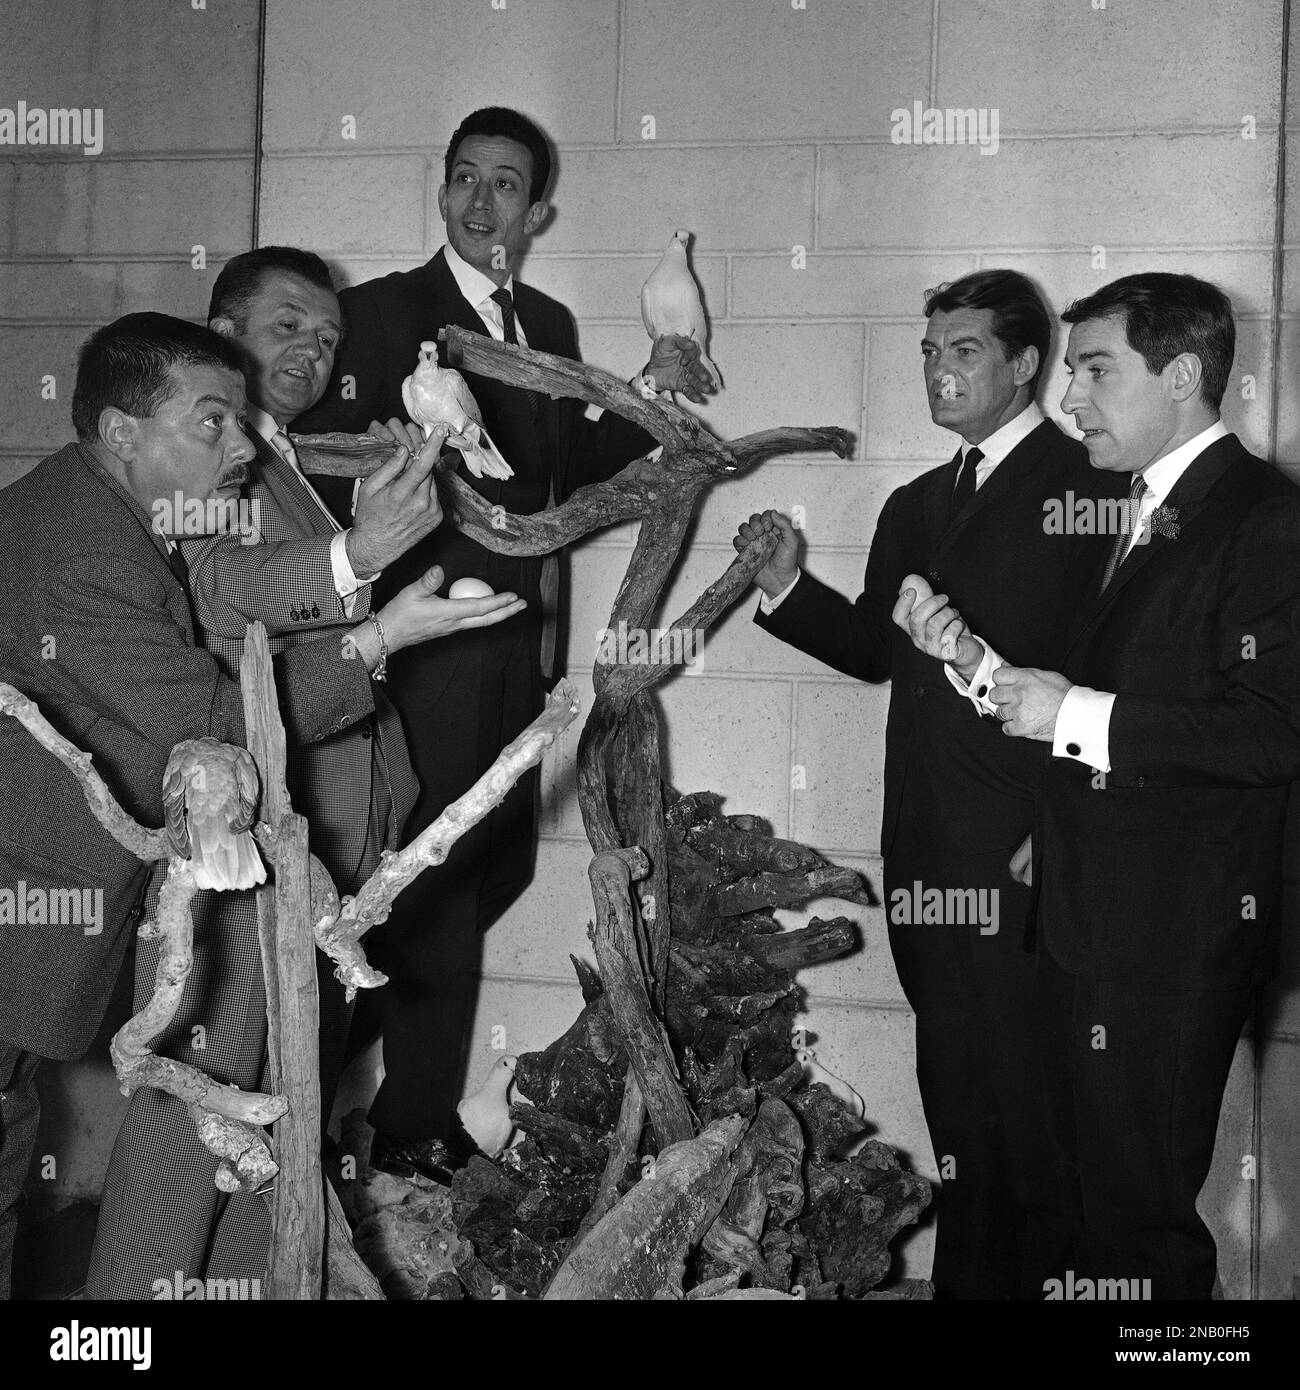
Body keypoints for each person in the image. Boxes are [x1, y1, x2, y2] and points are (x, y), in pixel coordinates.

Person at [84, 254, 525, 1298]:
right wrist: (354, 561)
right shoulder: (195, 473)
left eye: (327, 338)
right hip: (249, 857)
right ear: (221, 329)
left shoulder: (268, 456)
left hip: (323, 849)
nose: (312, 352)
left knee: (281, 1115)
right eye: (285, 326)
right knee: (197, 1117)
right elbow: (227, 577)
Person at [0, 312, 463, 1298]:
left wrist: (359, 552)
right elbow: (212, 710)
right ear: (124, 430)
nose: (242, 444)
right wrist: (376, 643)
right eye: (213, 420)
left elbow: (232, 577)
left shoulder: (120, 507)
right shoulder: (84, 552)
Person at [293, 106, 715, 1176]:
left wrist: (656, 395)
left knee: (487, 872)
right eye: (465, 181)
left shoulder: (552, 327)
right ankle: (395, 1121)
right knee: (421, 885)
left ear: (536, 210)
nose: (483, 204)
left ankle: (357, 1092)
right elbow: (314, 459)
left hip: (518, 651)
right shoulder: (381, 313)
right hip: (423, 648)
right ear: (442, 193)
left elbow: (563, 472)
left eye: (506, 186)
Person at [737, 269, 1125, 1298]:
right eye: (928, 351)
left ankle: (1047, 1282)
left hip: (1027, 852)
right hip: (924, 849)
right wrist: (785, 584)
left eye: (963, 351)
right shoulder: (916, 502)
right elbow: (876, 649)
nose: (939, 371)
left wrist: (1070, 829)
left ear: (1025, 363)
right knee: (957, 1090)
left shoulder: (1093, 489)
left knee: (1030, 1099)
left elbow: (1107, 675)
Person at [923, 272, 1300, 1299]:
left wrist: (1074, 715)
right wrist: (976, 667)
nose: (1069, 397)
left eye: (1094, 370)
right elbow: (1108, 701)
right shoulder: (1147, 507)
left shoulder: (1264, 517)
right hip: (1091, 927)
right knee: (1086, 1210)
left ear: (1181, 376)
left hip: (1169, 938)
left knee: (1137, 1231)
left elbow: (1274, 731)